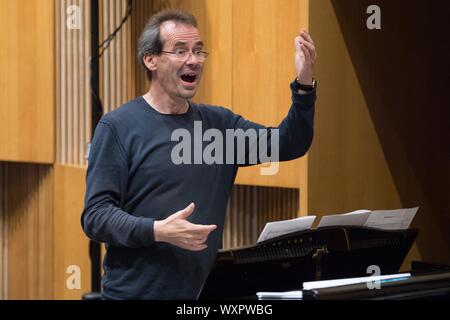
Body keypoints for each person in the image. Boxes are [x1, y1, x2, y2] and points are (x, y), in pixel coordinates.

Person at [81, 9, 317, 300]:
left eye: (198, 51)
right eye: (180, 51)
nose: (193, 60)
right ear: (150, 60)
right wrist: (157, 230)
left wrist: (304, 85)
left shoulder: (219, 127)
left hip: (202, 296)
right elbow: (95, 216)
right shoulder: (118, 128)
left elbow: (290, 143)